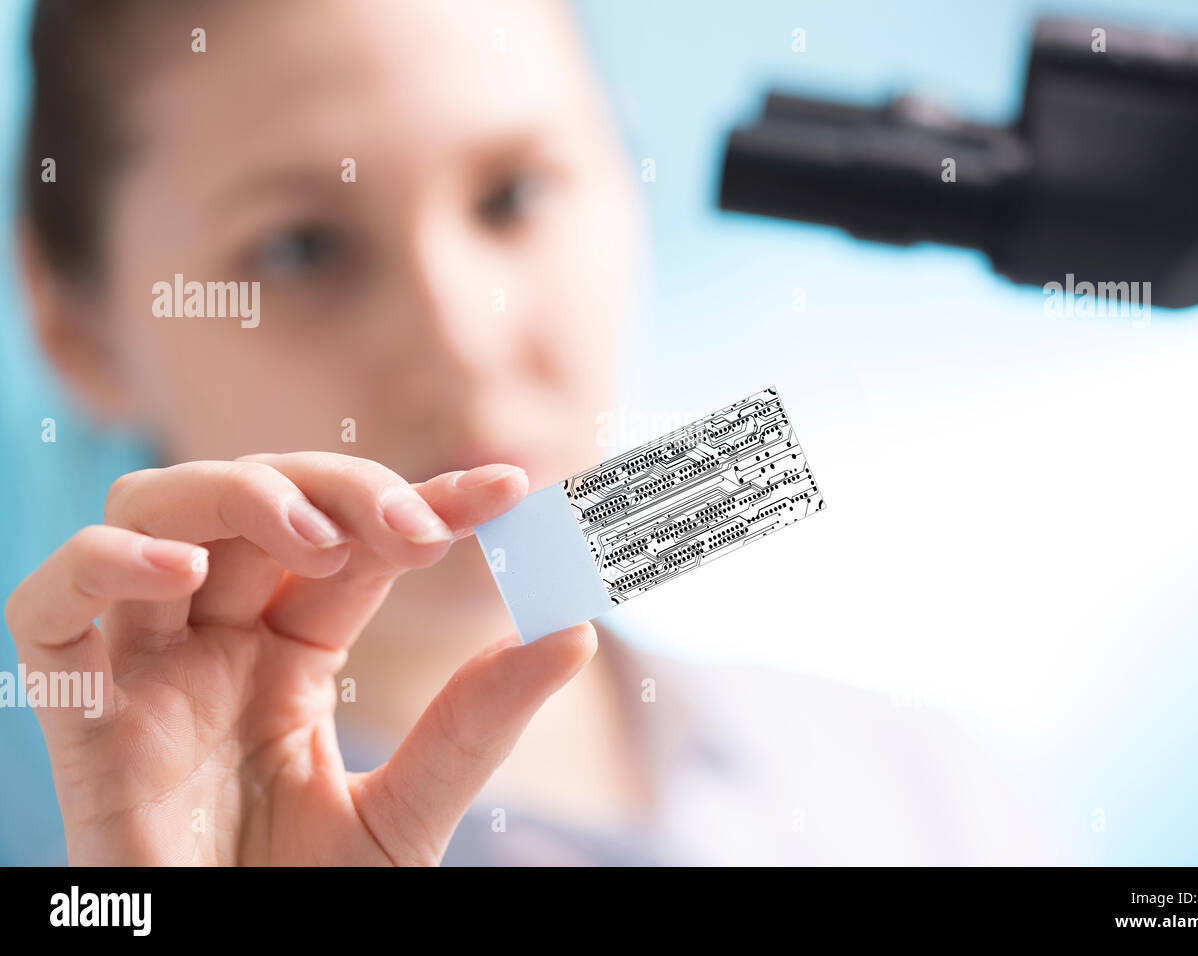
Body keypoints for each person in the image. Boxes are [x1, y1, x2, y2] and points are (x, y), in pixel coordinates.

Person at [5, 0, 1046, 865]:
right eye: (302, 247)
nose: (463, 340)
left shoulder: (924, 787)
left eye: (513, 194)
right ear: (73, 328)